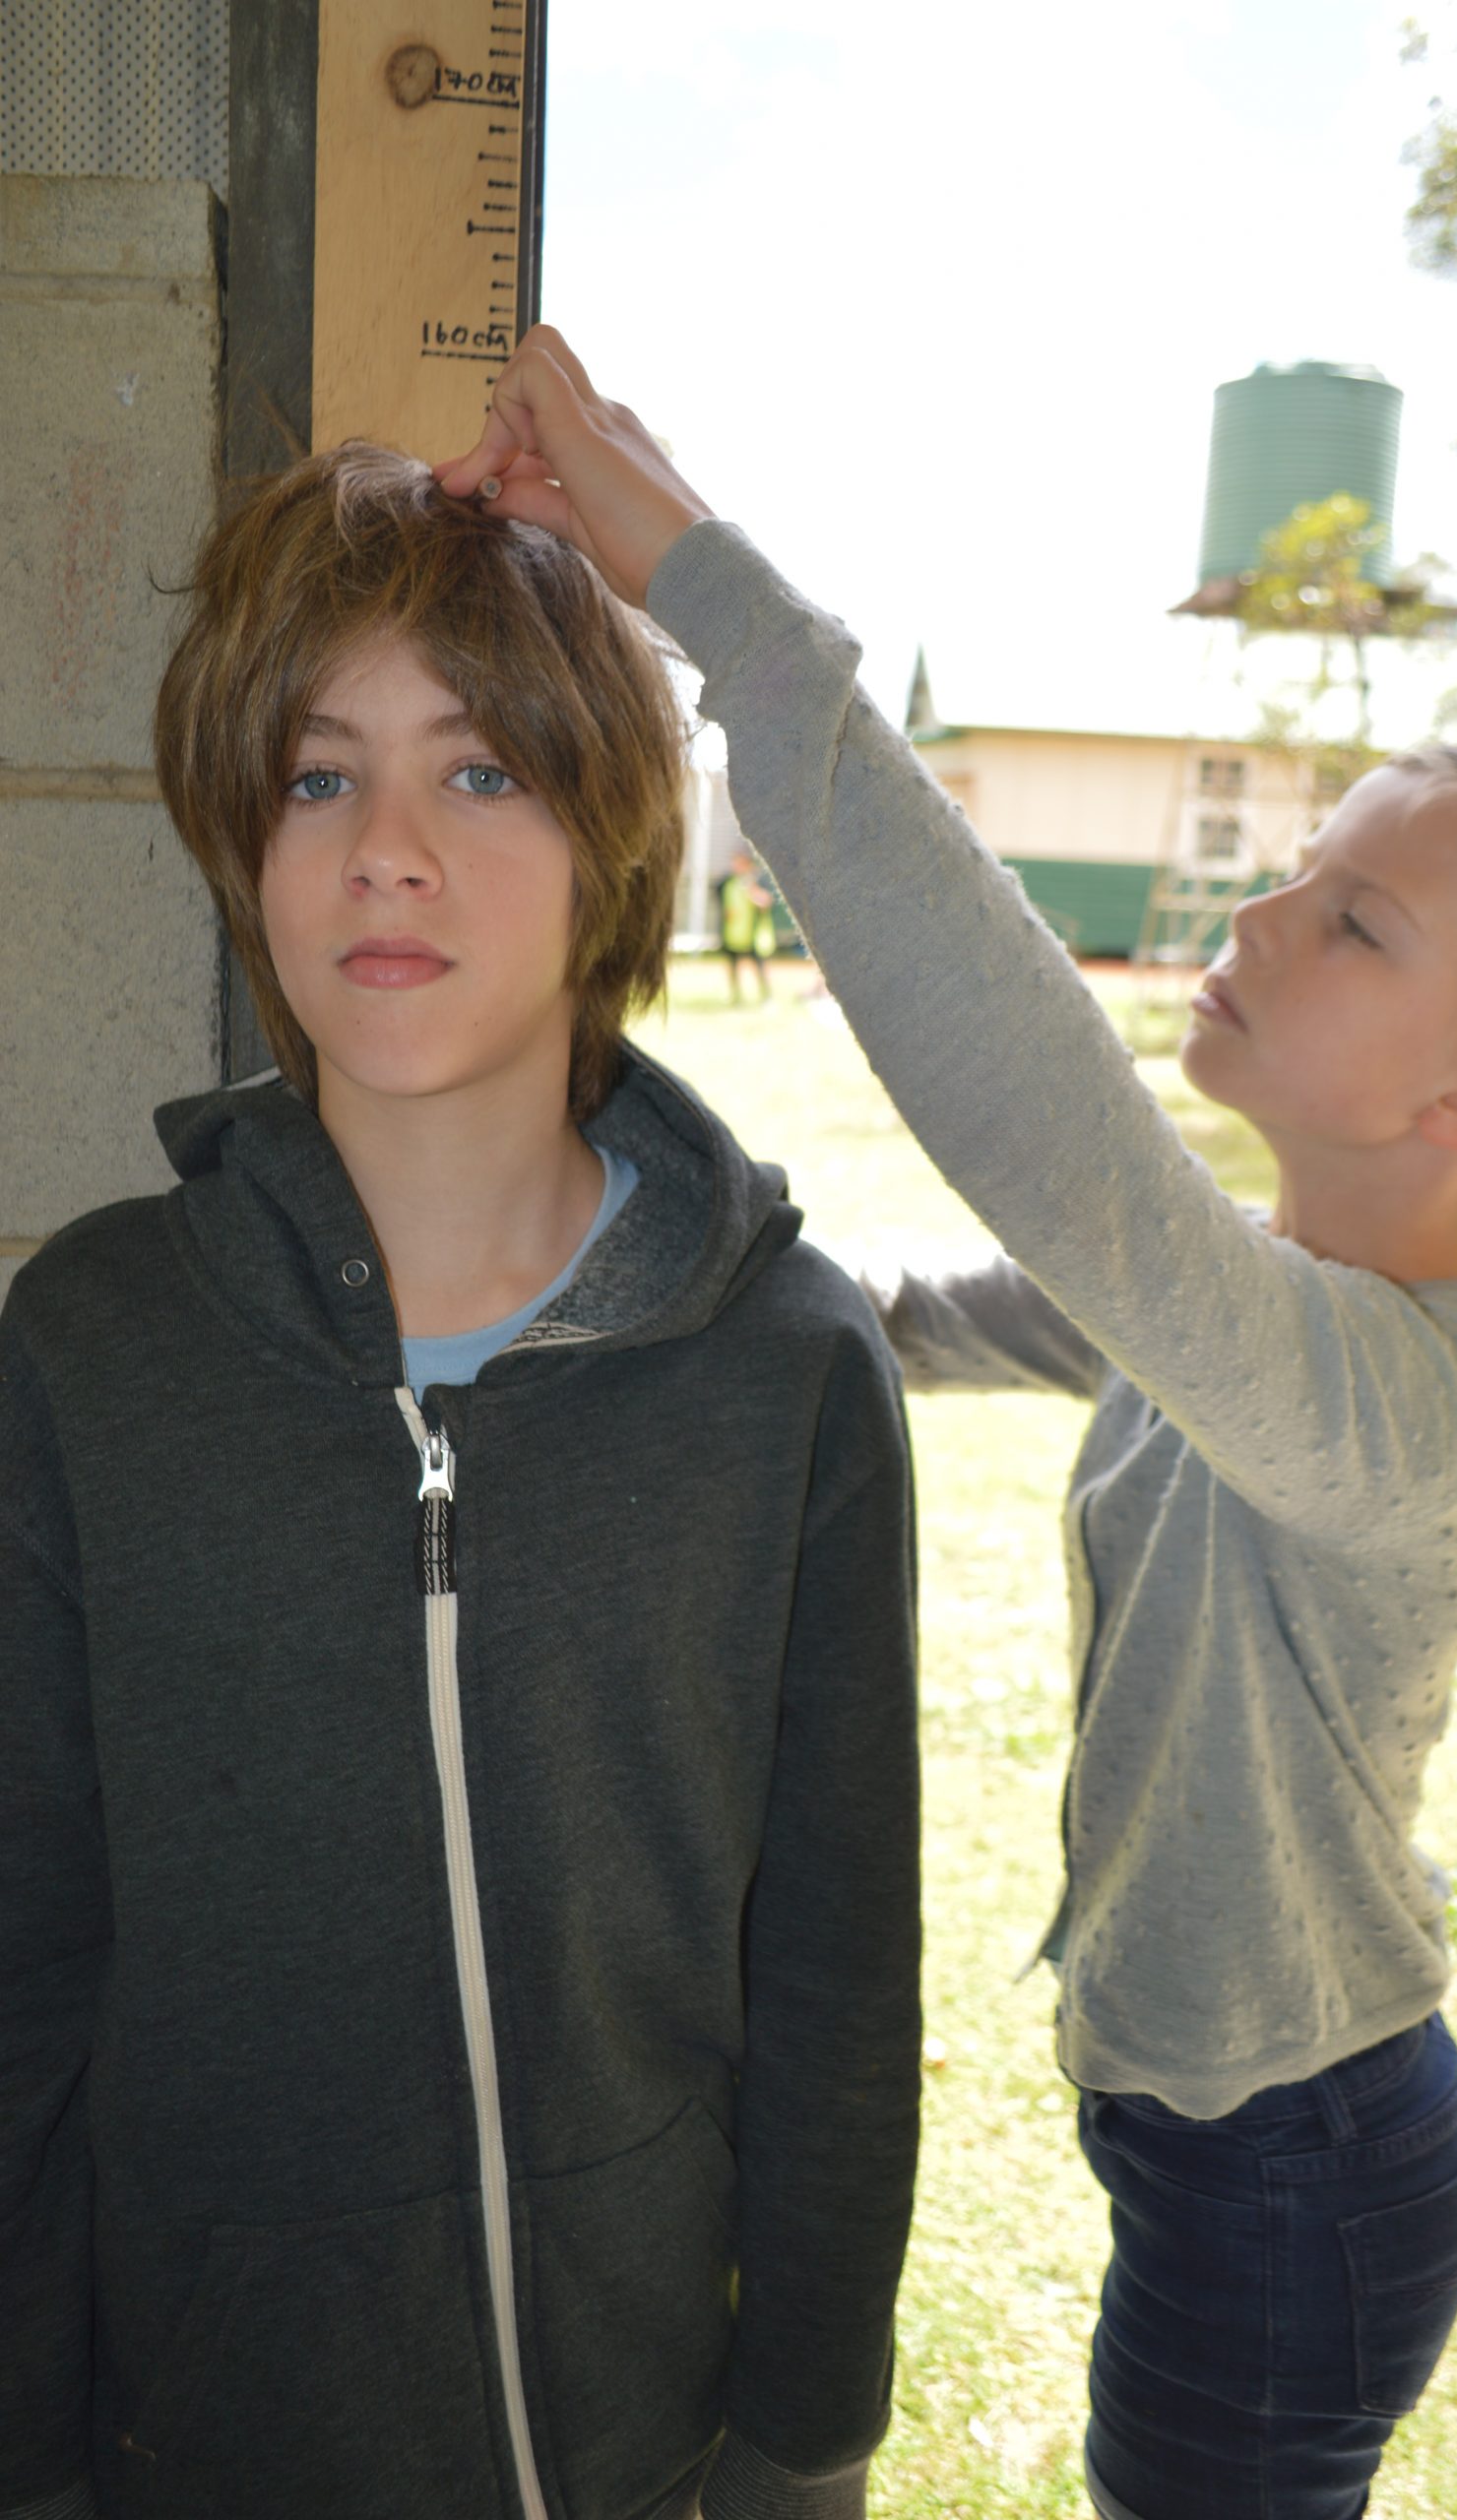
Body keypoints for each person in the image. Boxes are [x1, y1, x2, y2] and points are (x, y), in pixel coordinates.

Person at [433, 327, 1457, 2520]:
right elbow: (910, 1310)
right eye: (1300, 865)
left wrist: (708, 591)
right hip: (1218, 2121)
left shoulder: (1391, 1400)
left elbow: (1047, 1128)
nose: (1257, 911)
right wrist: (560, 1268)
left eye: (1352, 919)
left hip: (1293, 2172)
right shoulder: (1256, 1308)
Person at [0, 444, 921, 2520]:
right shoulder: (95, 1347)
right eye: (319, 776)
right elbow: (29, 1947)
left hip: (646, 2437)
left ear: (611, 840)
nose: (387, 850)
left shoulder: (783, 1371)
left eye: (482, 770)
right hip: (202, 2438)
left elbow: (841, 1971)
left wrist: (801, 2436)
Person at [717, 846, 778, 1002]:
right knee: (733, 966)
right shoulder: (727, 882)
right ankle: (736, 997)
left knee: (760, 967)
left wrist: (752, 890)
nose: (737, 866)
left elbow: (767, 902)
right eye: (735, 863)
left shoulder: (759, 881)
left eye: (741, 863)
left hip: (754, 935)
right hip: (733, 934)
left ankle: (766, 997)